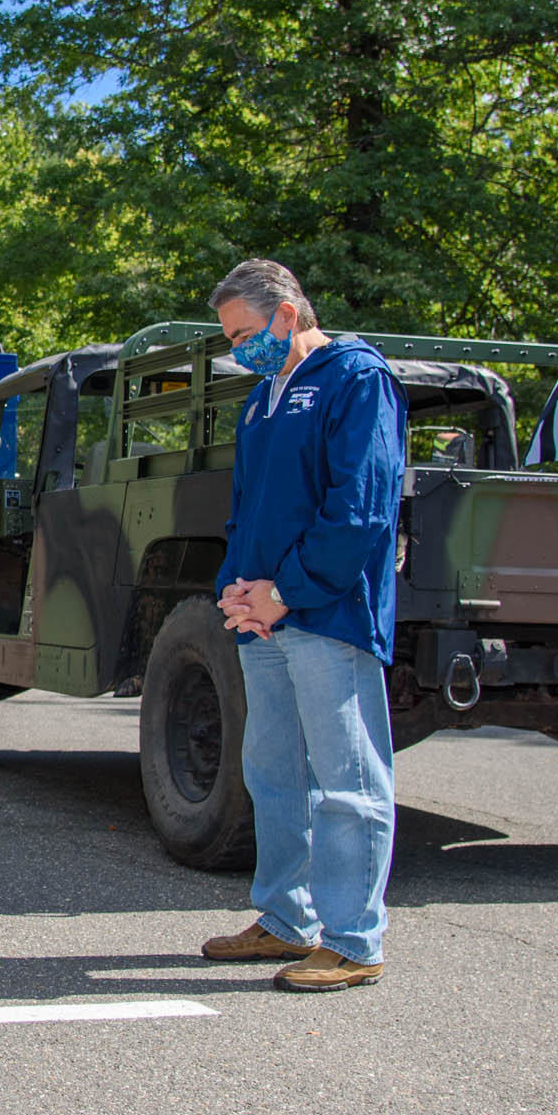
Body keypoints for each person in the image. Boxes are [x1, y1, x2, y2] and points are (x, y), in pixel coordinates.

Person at [201, 258, 406, 992]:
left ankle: (354, 939)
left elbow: (363, 507)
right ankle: (286, 918)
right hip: (264, 621)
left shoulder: (357, 380)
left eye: (246, 333)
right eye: (232, 339)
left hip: (327, 614)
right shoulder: (260, 401)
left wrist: (285, 591)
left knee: (347, 781)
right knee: (274, 773)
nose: (241, 349)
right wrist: (236, 589)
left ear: (288, 313)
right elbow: (245, 508)